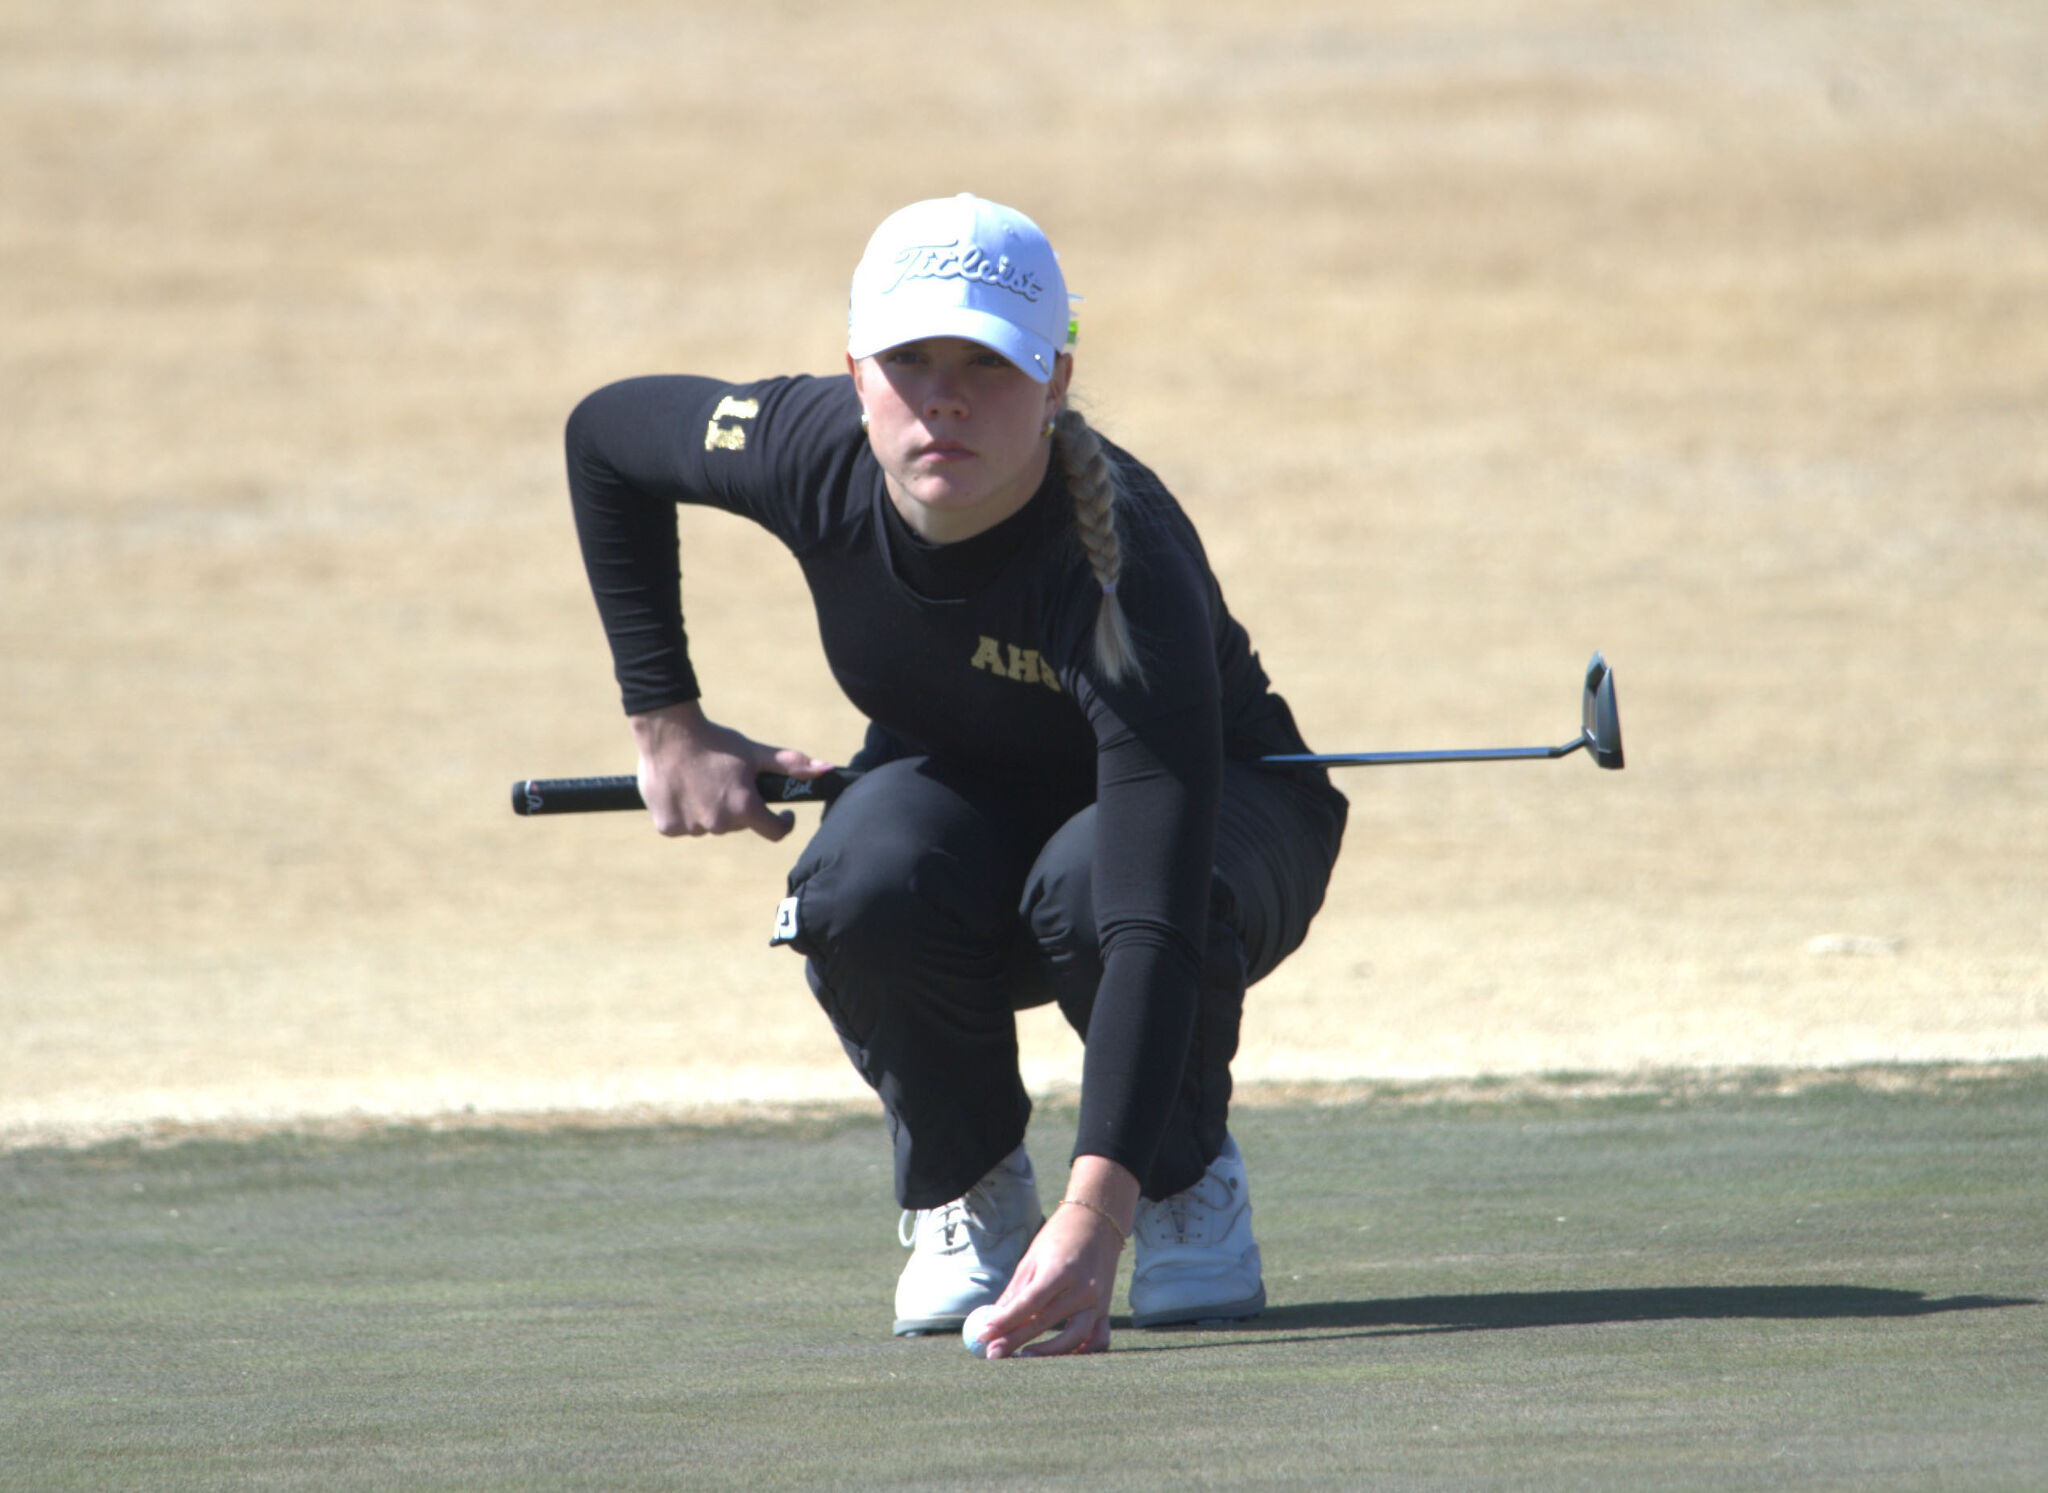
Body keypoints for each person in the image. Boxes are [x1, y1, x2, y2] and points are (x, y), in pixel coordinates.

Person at [564, 193, 1347, 1357]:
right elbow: (606, 434)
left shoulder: (1123, 570)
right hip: (964, 796)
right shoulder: (802, 443)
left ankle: (1179, 1184)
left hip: (1219, 822)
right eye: (909, 360)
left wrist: (1099, 1212)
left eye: (986, 363)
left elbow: (1142, 912)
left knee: (1088, 885)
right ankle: (967, 1187)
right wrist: (664, 724)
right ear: (853, 372)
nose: (943, 396)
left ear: (1055, 380)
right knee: (859, 881)